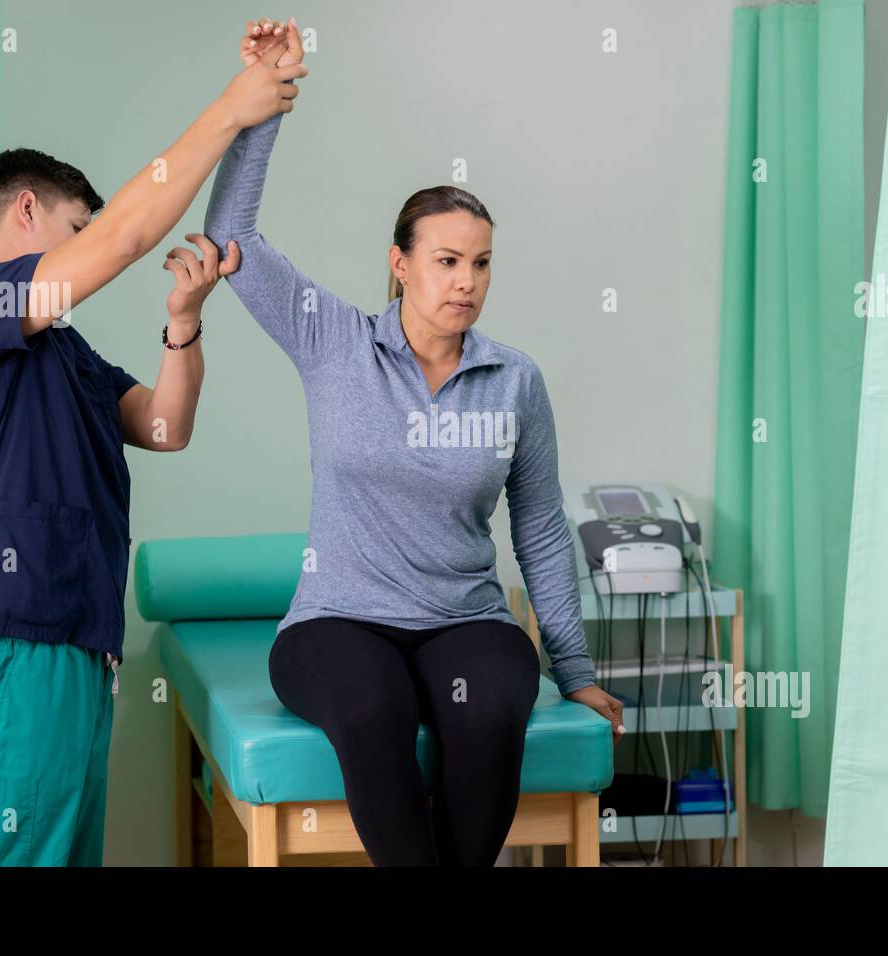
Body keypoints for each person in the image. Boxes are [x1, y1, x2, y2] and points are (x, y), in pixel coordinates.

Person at [204, 18, 625, 867]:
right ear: (400, 263)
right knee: (373, 715)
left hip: (466, 620)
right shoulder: (334, 342)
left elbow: (539, 527)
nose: (465, 281)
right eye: (446, 261)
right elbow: (230, 234)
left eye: (481, 263)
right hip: (337, 623)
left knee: (491, 715)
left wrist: (574, 667)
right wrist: (267, 101)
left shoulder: (515, 381)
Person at [0, 29, 308, 865]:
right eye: (74, 226)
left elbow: (167, 426)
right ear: (26, 211)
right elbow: (124, 239)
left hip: (80, 653)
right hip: (10, 651)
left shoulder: (66, 352)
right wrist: (231, 109)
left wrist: (183, 324)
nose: (90, 243)